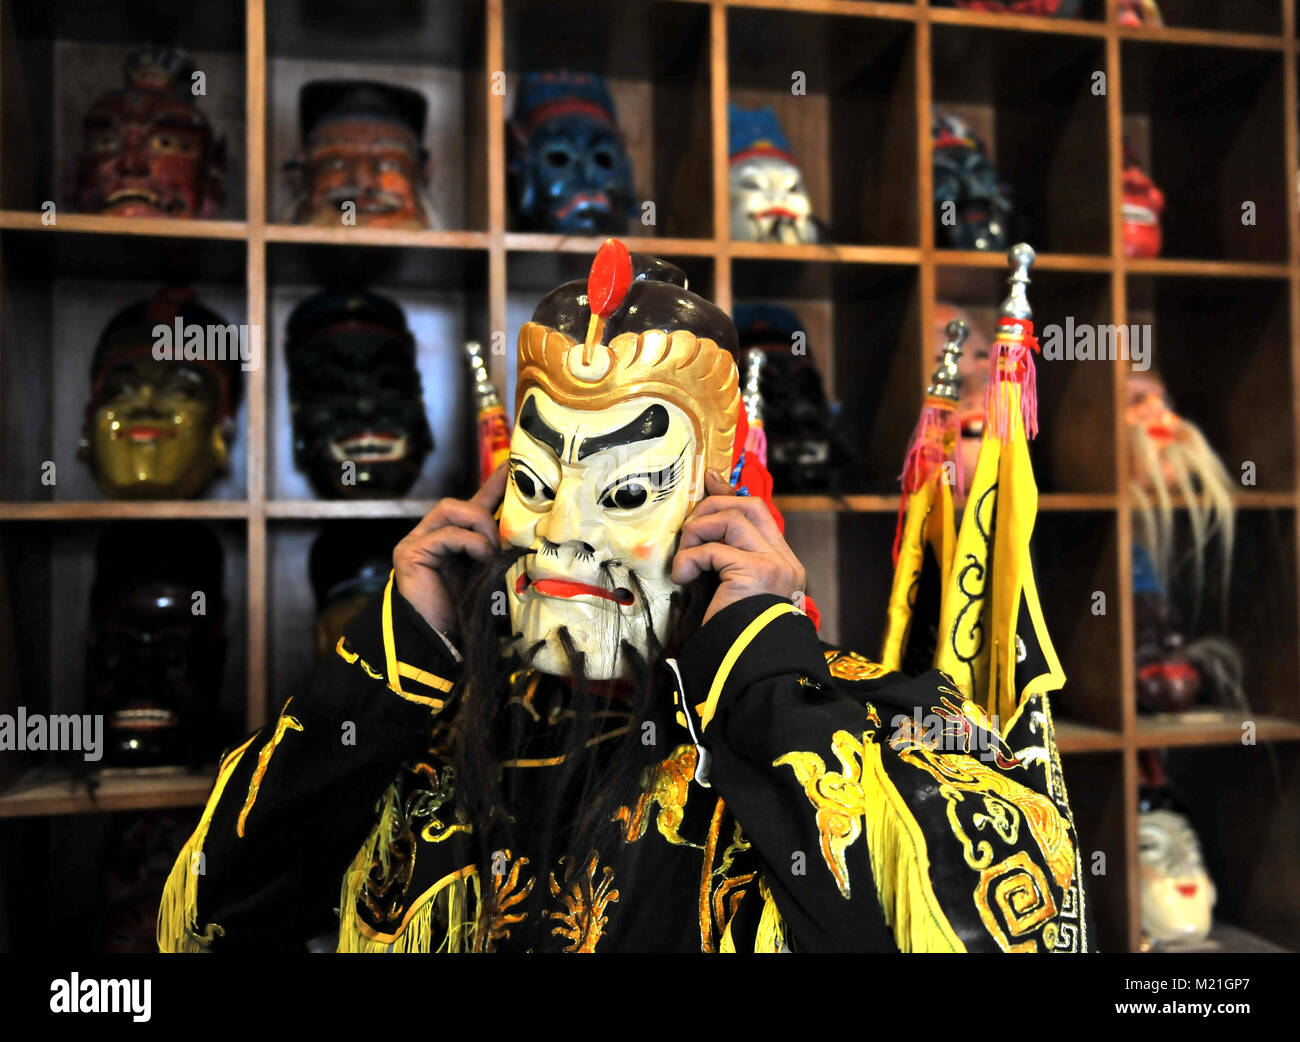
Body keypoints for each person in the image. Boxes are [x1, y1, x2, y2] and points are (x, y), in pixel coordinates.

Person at [159, 241, 1089, 953]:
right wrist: (391, 659)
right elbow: (204, 921)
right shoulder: (433, 739)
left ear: (720, 516)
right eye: (533, 478)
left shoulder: (877, 722)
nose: (561, 528)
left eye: (628, 491)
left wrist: (763, 678)